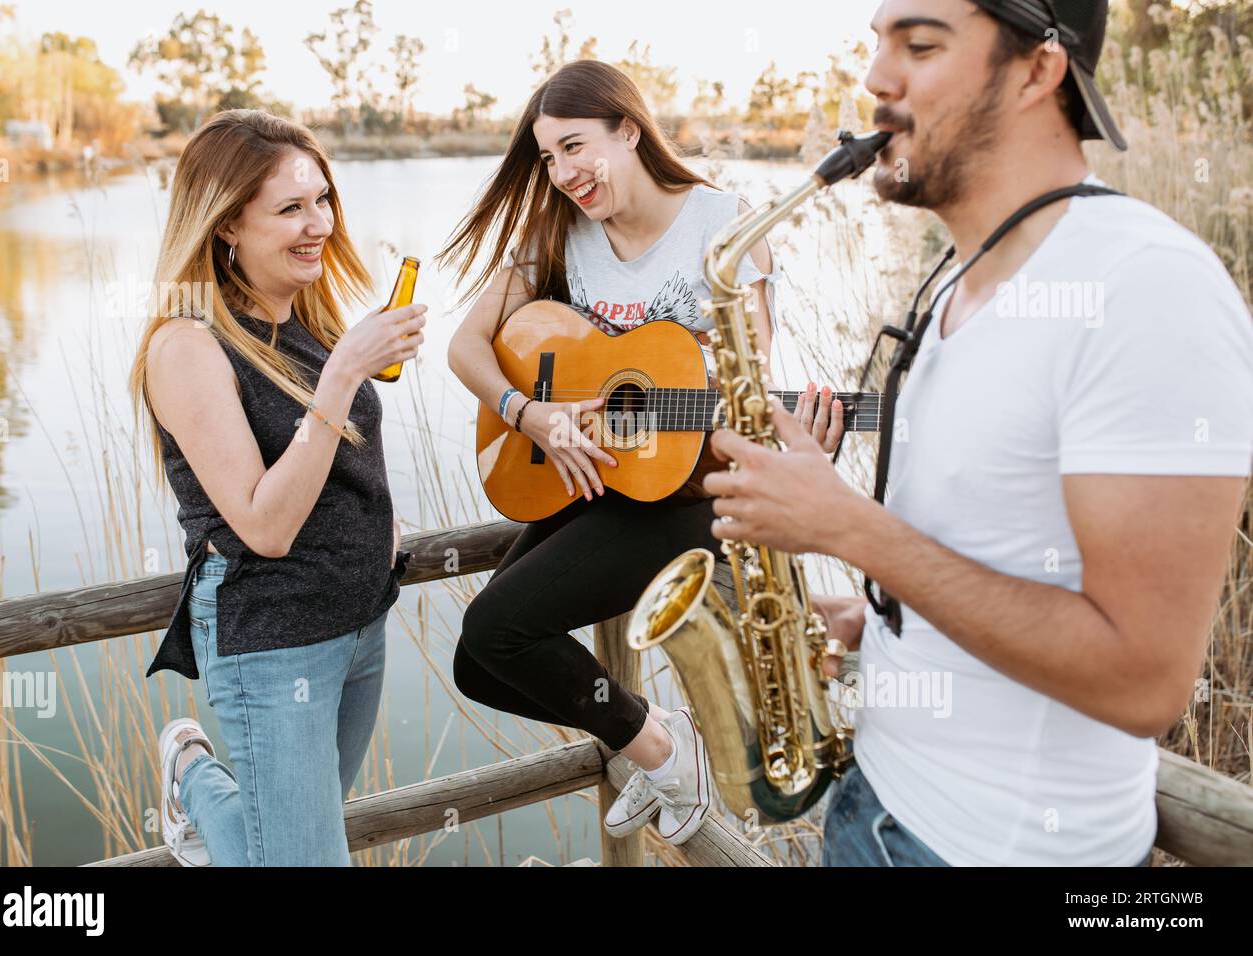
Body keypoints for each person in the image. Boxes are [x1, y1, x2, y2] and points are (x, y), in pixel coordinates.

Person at [705, 0, 1253, 866]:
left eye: (920, 45)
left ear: (1040, 69)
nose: (876, 80)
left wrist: (846, 525)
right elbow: (994, 550)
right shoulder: (960, 279)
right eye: (877, 44)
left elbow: (1143, 678)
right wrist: (880, 620)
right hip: (881, 807)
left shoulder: (1146, 288)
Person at [440, 59, 845, 846]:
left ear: (629, 129)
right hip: (595, 480)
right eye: (548, 157)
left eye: (575, 147)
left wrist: (801, 438)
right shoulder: (558, 234)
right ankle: (657, 738)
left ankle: (658, 752)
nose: (561, 173)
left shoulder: (727, 226)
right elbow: (465, 347)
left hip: (688, 495)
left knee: (495, 632)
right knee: (475, 665)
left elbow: (745, 386)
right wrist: (531, 416)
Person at [130, 109, 426, 865]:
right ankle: (194, 774)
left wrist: (380, 527)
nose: (318, 224)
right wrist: (344, 372)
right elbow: (264, 524)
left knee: (289, 849)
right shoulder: (187, 347)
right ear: (226, 223)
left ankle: (197, 780)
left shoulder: (309, 319)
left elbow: (344, 459)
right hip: (273, 643)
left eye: (322, 199)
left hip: (361, 626)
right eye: (290, 208)